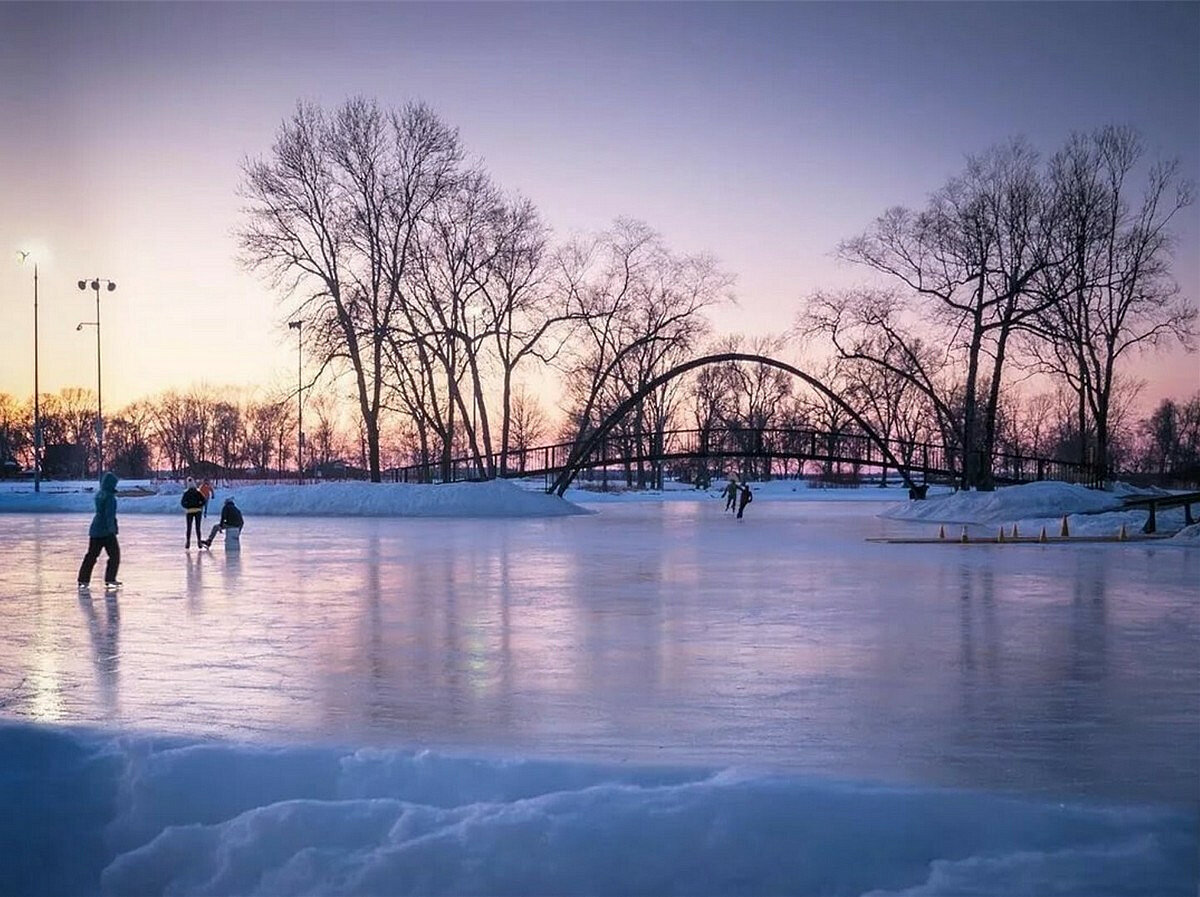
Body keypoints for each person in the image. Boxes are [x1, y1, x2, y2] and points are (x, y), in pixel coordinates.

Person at [78, 471, 121, 589]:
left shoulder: (100, 494)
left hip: (95, 530)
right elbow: (109, 515)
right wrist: (112, 529)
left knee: (91, 555)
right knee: (115, 556)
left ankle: (83, 580)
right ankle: (110, 579)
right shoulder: (110, 498)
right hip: (106, 532)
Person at [181, 477, 206, 549]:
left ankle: (188, 542)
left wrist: (187, 506)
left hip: (189, 511)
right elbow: (204, 500)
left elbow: (182, 503)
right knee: (198, 527)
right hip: (198, 511)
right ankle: (199, 542)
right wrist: (199, 505)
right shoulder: (198, 492)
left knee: (189, 527)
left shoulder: (186, 493)